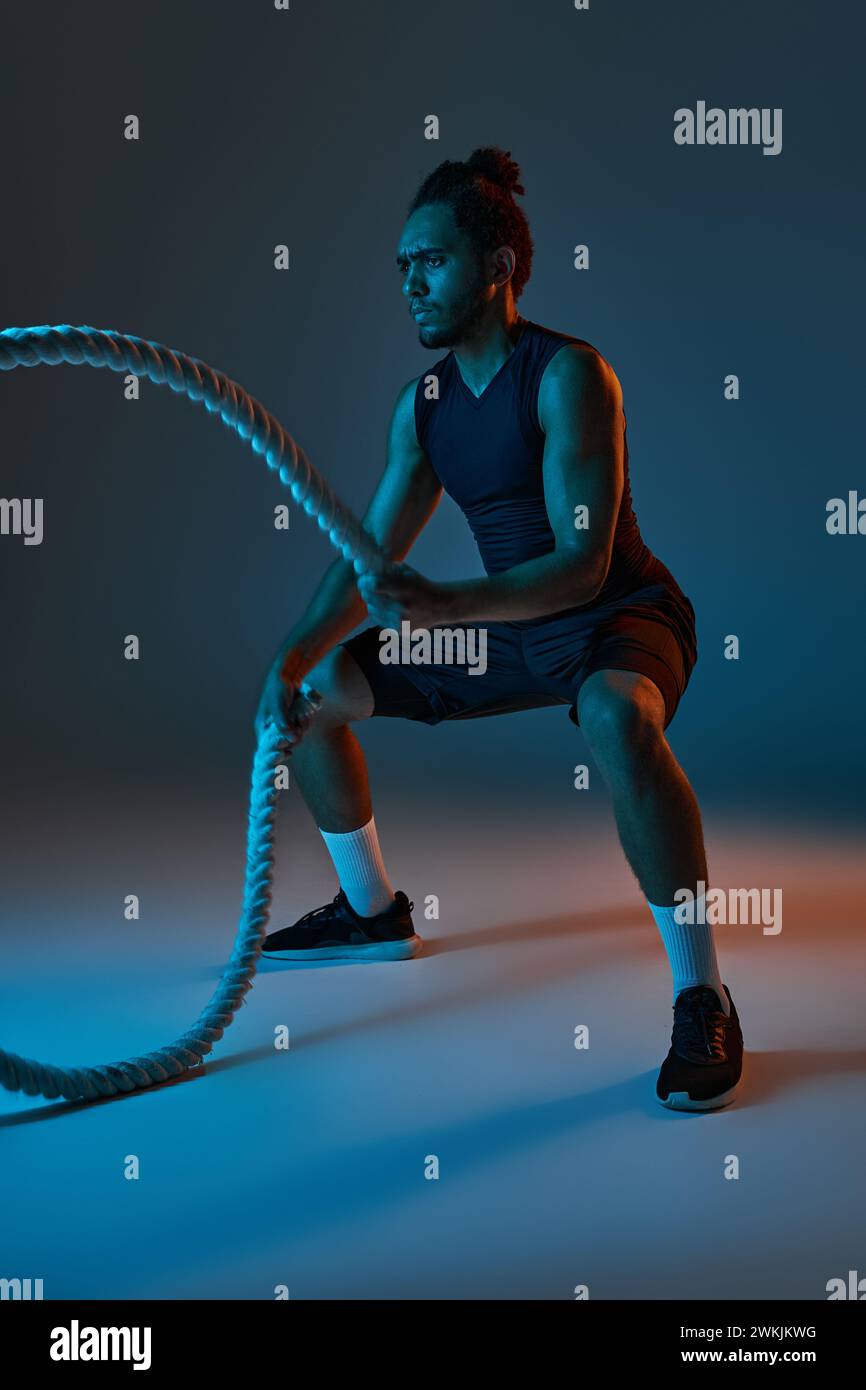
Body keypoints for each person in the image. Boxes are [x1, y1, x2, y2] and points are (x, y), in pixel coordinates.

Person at [254, 147, 743, 1112]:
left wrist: (444, 605)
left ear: (498, 269)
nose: (410, 284)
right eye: (401, 267)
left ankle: (704, 994)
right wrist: (289, 657)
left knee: (615, 718)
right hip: (505, 629)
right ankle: (372, 913)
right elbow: (369, 561)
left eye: (429, 262)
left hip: (615, 618)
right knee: (315, 703)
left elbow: (583, 566)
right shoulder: (425, 408)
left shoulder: (568, 376)